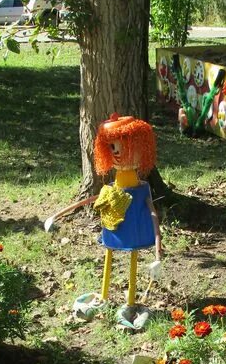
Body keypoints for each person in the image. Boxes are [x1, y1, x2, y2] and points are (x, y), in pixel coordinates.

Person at [44, 114, 162, 330]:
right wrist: (57, 215)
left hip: (134, 232)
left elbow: (153, 215)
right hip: (112, 230)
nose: (117, 152)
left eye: (123, 146)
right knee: (109, 255)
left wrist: (157, 254)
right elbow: (91, 199)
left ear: (141, 148)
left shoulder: (142, 188)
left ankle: (130, 304)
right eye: (113, 146)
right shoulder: (111, 187)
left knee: (133, 259)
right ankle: (103, 297)